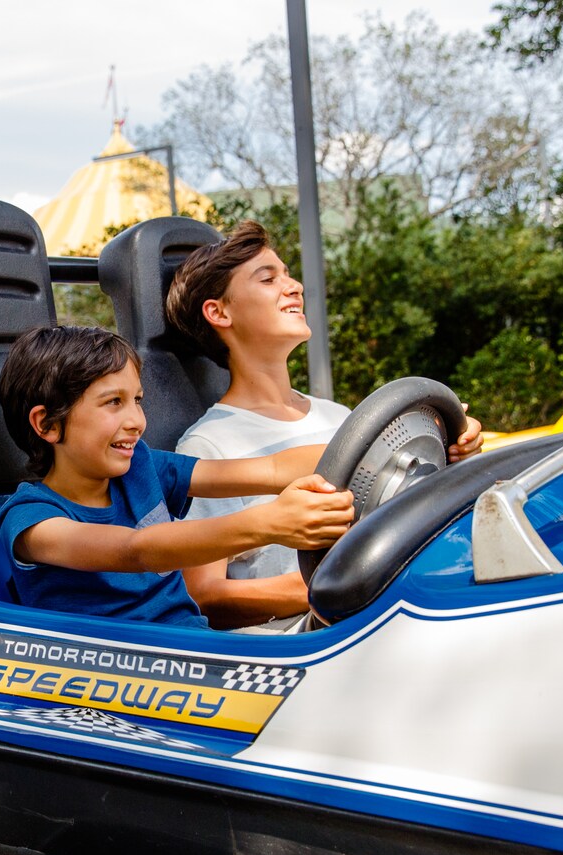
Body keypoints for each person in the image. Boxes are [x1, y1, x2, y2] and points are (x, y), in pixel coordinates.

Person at [162, 221, 484, 628]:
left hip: (397, 611)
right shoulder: (210, 445)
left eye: (288, 273)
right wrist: (347, 582)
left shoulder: (339, 416)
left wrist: (449, 446)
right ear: (218, 312)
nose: (294, 286)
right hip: (309, 639)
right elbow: (206, 594)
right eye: (268, 278)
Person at [0, 325, 354, 630]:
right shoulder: (31, 519)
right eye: (113, 403)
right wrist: (266, 524)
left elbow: (271, 469)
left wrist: (366, 448)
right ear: (47, 425)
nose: (137, 420)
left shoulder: (142, 466)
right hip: (123, 679)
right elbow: (138, 551)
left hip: (196, 649)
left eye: (137, 400)